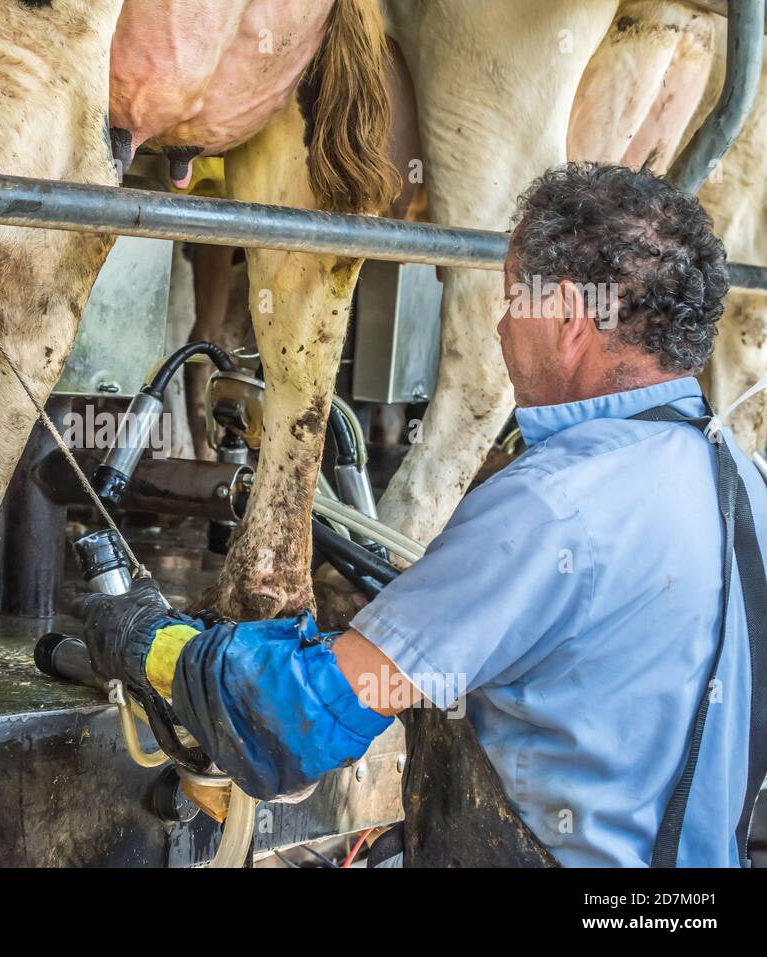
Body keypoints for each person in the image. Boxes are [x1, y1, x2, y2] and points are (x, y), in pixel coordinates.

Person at [80, 163, 767, 867]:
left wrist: (150, 643)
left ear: (566, 315)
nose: (500, 329)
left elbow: (303, 713)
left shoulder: (555, 504)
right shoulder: (748, 484)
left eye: (508, 301)